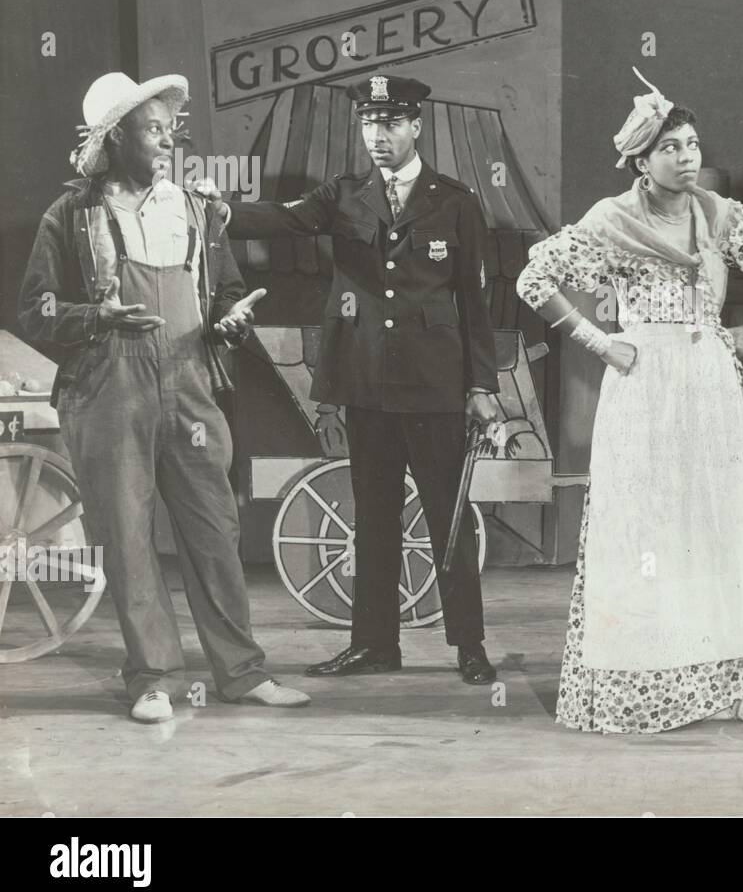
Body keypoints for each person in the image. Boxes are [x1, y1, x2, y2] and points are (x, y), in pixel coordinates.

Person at [515, 71, 743, 733]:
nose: (687, 156)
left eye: (693, 143)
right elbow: (535, 277)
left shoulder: (716, 213)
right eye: (671, 146)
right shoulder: (611, 218)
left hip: (710, 381)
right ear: (640, 160)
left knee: (718, 522)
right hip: (644, 383)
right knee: (648, 530)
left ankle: (729, 673)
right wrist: (598, 339)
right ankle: (650, 680)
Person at [19, 72, 310, 723]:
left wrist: (231, 320)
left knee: (213, 528)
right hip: (108, 389)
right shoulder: (68, 217)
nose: (166, 139)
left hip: (191, 382)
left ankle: (242, 670)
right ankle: (152, 676)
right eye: (152, 129)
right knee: (125, 534)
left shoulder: (195, 209)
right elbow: (36, 310)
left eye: (169, 128)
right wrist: (98, 318)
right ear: (115, 137)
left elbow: (226, 290)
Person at [195, 73, 504, 685]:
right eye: (369, 123)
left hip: (435, 385)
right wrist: (219, 210)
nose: (378, 135)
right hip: (366, 382)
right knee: (375, 517)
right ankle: (375, 645)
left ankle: (469, 644)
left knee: (448, 517)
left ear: (417, 126)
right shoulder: (344, 194)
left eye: (390, 123)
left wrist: (481, 386)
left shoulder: (456, 200)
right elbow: (281, 220)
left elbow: (474, 298)